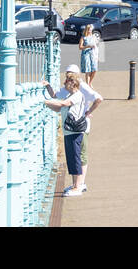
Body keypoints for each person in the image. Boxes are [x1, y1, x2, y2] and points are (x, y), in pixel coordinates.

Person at [44, 64, 103, 197]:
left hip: (78, 128)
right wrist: (47, 89)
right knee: (73, 157)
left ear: (74, 80)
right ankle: (77, 184)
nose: (65, 80)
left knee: (79, 156)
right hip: (70, 129)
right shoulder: (68, 92)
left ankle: (79, 185)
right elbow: (58, 102)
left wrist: (88, 112)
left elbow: (98, 99)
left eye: (69, 76)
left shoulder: (80, 91)